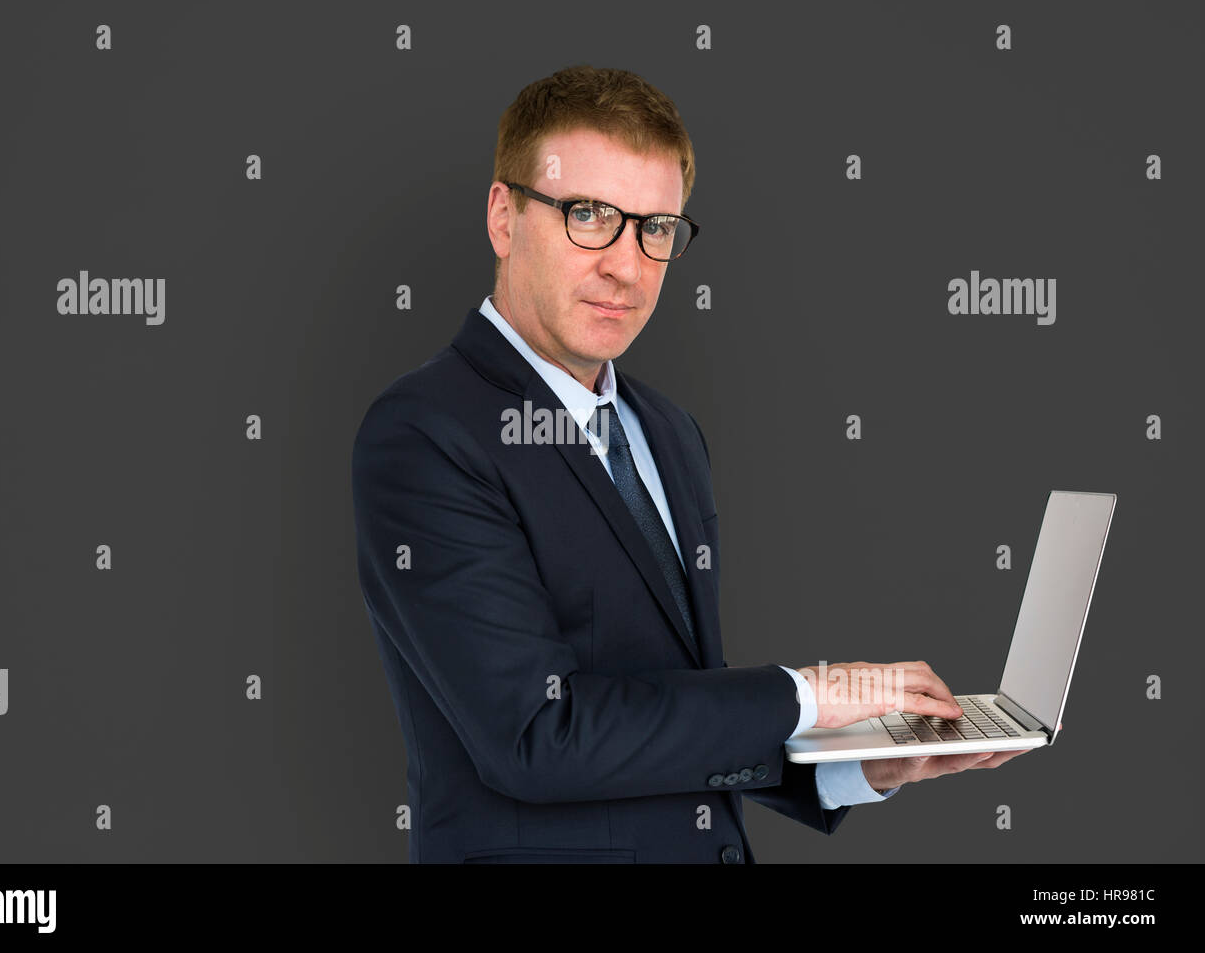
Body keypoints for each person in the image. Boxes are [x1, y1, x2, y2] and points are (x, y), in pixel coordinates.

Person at [351, 65, 1034, 863]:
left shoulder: (667, 432)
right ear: (505, 217)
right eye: (590, 216)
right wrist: (815, 691)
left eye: (656, 228)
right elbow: (538, 735)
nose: (628, 265)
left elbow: (673, 712)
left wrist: (856, 763)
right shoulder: (426, 433)